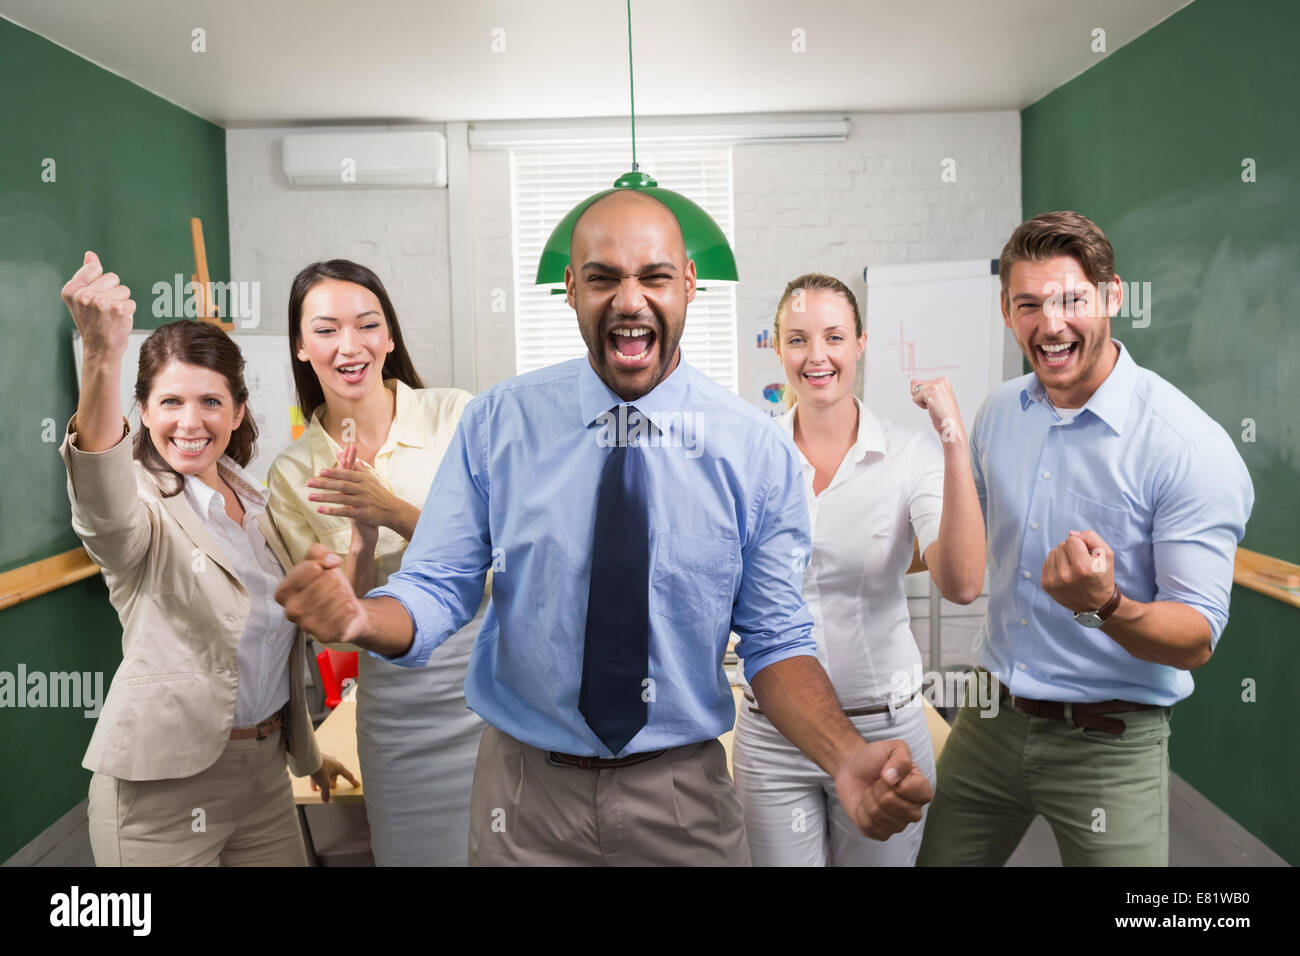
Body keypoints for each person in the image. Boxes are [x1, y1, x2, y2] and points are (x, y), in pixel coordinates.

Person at [273, 189, 935, 866]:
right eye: (602, 277)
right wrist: (361, 616)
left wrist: (845, 757)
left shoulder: (754, 452)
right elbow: (438, 586)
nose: (629, 300)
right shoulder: (498, 426)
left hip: (681, 800)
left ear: (688, 287)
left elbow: (775, 639)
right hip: (523, 800)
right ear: (569, 290)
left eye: (653, 277)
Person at [916, 211, 1254, 866]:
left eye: (1071, 299)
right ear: (1009, 316)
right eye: (1028, 305)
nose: (1050, 324)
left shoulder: (1187, 448)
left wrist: (1108, 605)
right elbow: (964, 553)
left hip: (1110, 743)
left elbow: (1197, 637)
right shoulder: (1000, 413)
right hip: (991, 718)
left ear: (1112, 298)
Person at [59, 251, 355, 867]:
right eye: (169, 402)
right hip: (160, 795)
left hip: (266, 780)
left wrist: (305, 754)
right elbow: (103, 514)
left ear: (238, 411)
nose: (189, 422)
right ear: (141, 410)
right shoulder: (141, 503)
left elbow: (268, 653)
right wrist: (101, 356)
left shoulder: (260, 502)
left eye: (210, 402)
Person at [732, 273, 985, 866]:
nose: (816, 356)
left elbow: (963, 581)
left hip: (884, 730)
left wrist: (952, 439)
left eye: (834, 337)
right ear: (777, 349)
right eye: (797, 339)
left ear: (860, 344)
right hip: (773, 736)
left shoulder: (909, 456)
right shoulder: (750, 458)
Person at [266, 260, 487, 866]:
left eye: (367, 325)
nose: (349, 346)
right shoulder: (292, 472)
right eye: (326, 330)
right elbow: (342, 625)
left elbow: (510, 556)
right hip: (398, 709)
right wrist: (361, 543)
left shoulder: (457, 416)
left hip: (494, 688)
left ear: (389, 337)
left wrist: (394, 512)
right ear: (301, 347)